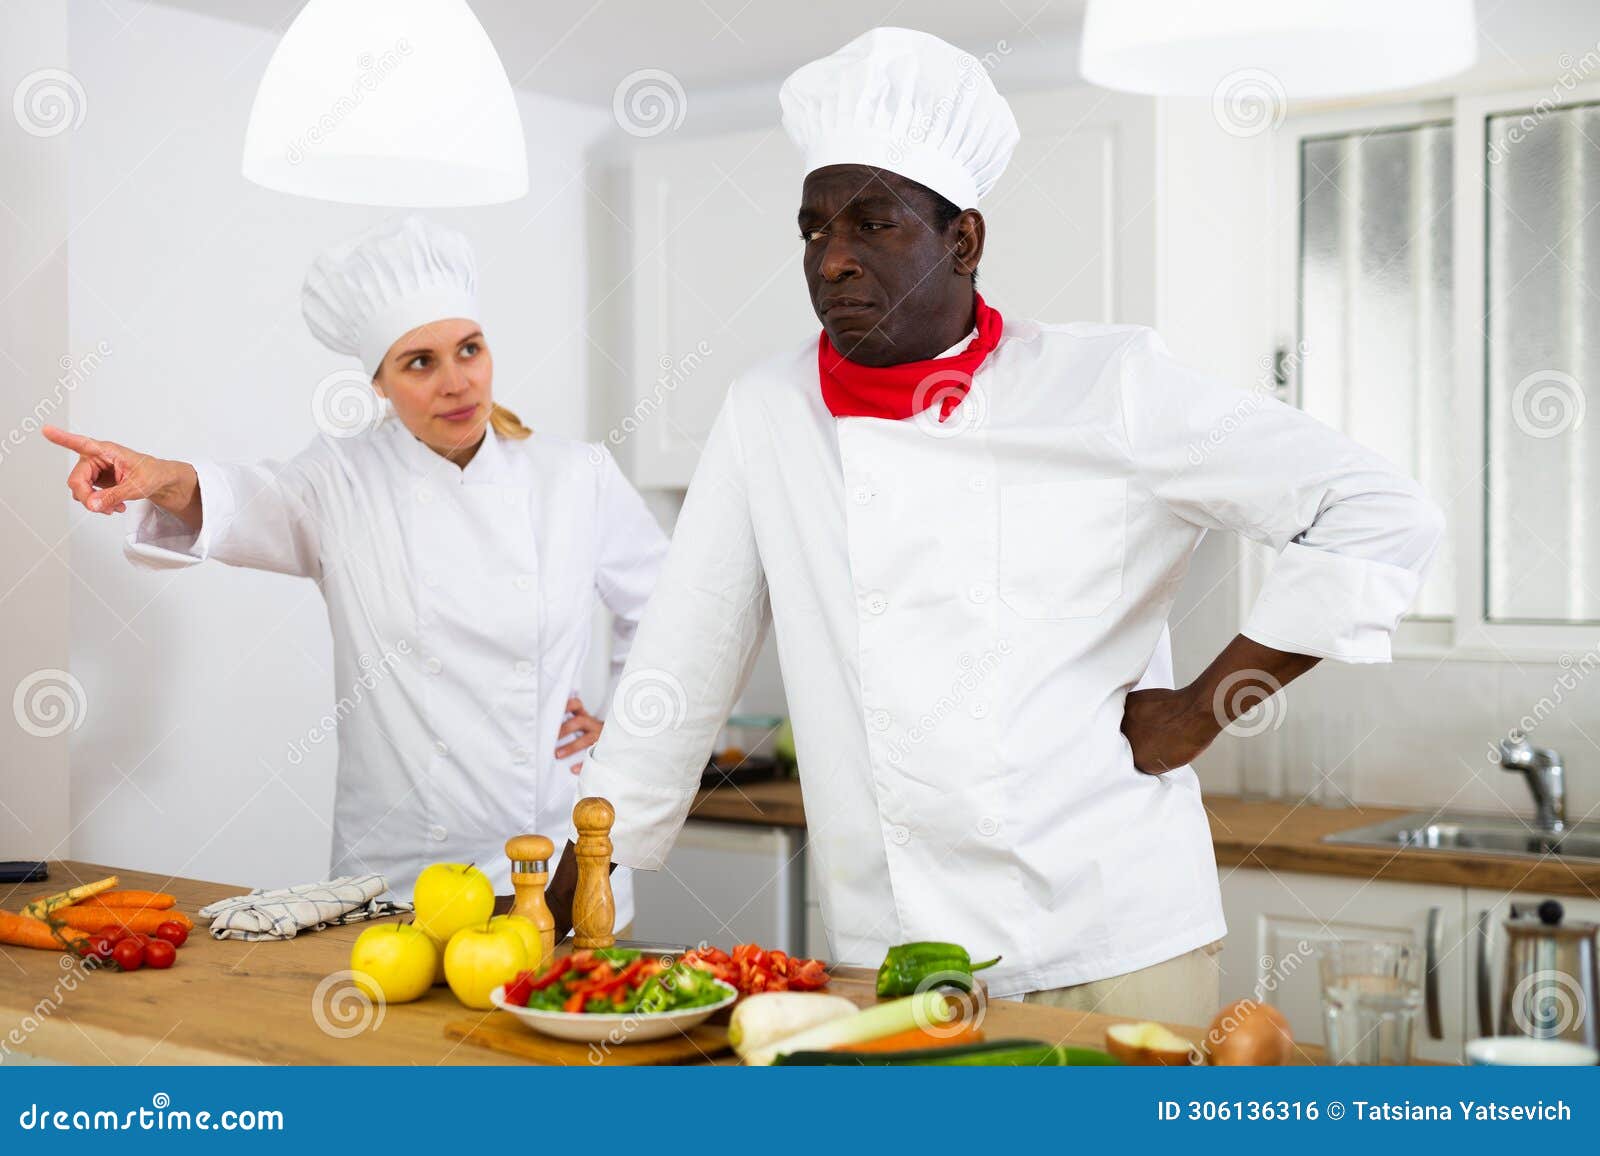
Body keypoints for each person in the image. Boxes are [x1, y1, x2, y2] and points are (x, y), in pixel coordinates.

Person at [548, 27, 1444, 1023]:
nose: (832, 260)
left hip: (1110, 933)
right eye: (811, 230)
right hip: (894, 949)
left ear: (963, 240)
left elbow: (1375, 509)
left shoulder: (1107, 387)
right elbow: (688, 644)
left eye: (871, 224)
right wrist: (589, 867)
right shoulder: (766, 410)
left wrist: (1199, 707)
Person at [44, 215, 666, 926]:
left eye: (469, 349)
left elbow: (666, 607)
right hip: (396, 875)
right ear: (378, 383)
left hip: (556, 870)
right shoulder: (342, 480)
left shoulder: (574, 476)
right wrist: (156, 476)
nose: (457, 383)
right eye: (420, 362)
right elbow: (249, 499)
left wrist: (622, 724)